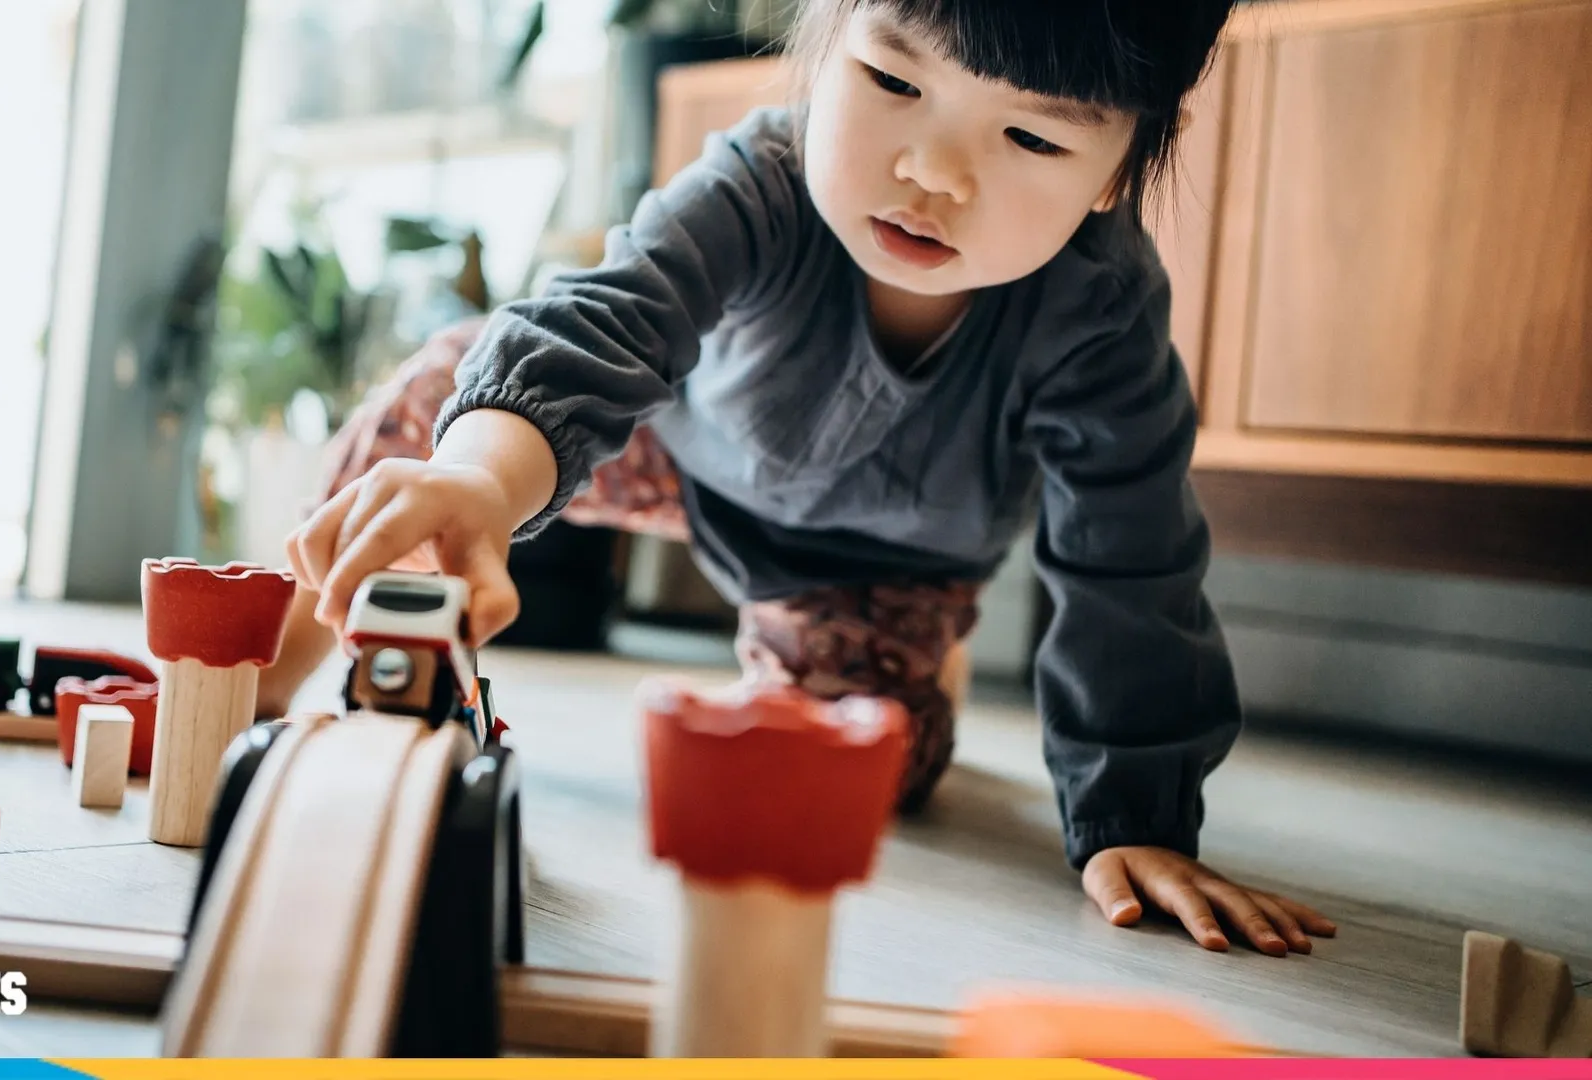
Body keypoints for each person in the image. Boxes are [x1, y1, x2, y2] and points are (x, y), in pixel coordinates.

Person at [266, 0, 1338, 957]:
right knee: (450, 395)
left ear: (1116, 168)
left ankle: (931, 656)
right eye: (894, 81)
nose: (933, 173)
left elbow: (1129, 554)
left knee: (864, 774)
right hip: (679, 457)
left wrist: (1136, 817)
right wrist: (480, 483)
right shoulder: (758, 182)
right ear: (822, 38)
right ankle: (273, 655)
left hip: (874, 561)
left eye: (1029, 135)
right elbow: (600, 323)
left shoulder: (1100, 310)